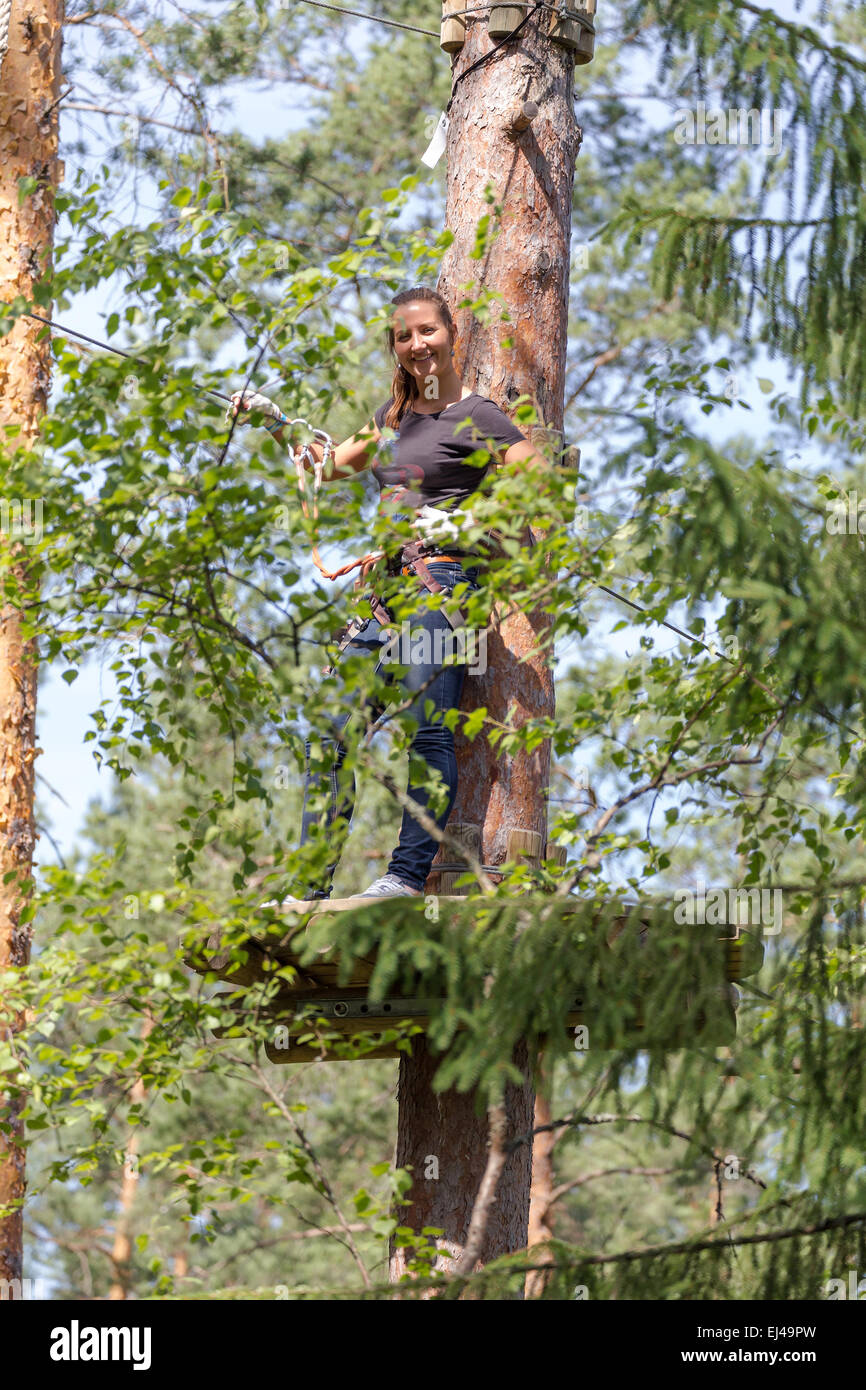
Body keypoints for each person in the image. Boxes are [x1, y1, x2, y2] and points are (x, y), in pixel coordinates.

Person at [228, 286, 543, 900]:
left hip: (443, 585)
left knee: (429, 730)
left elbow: (542, 487)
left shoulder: (479, 417)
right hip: (388, 595)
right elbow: (322, 465)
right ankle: (310, 887)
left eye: (427, 331)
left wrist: (467, 523)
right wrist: (273, 420)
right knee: (330, 729)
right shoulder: (391, 419)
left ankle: (404, 877)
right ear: (395, 348)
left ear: (452, 334)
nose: (418, 345)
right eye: (404, 337)